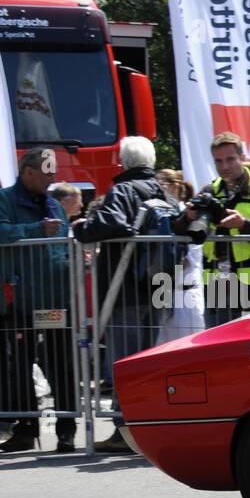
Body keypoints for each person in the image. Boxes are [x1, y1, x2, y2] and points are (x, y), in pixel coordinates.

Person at [73, 136, 204, 451]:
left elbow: (106, 224)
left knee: (125, 364)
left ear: (123, 161)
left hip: (125, 291)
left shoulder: (122, 191)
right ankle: (144, 429)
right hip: (156, 288)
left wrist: (80, 227)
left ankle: (125, 432)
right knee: (146, 364)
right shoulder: (163, 193)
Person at [0, 147, 73, 452]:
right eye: (46, 172)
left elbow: (63, 239)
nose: (52, 177)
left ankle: (66, 429)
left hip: (54, 299)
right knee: (20, 365)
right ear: (27, 172)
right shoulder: (5, 200)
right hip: (20, 300)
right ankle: (26, 428)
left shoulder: (54, 204)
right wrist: (35, 229)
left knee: (61, 364)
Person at [198, 131, 250, 325]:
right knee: (217, 352)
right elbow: (184, 231)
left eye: (230, 159)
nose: (224, 166)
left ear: (243, 158)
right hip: (216, 285)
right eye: (218, 161)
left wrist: (244, 224)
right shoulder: (208, 192)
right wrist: (187, 217)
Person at [154, 170, 206, 344]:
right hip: (165, 292)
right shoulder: (161, 215)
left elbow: (189, 259)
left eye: (161, 186)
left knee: (188, 347)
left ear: (175, 187)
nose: (158, 190)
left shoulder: (188, 214)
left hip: (186, 292)